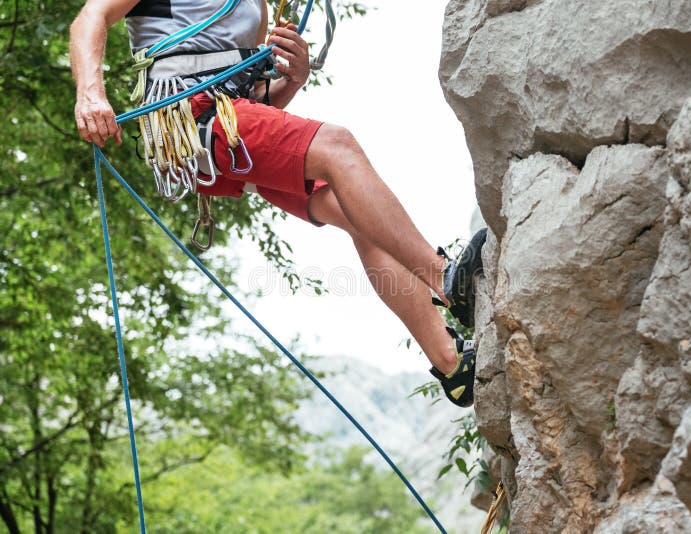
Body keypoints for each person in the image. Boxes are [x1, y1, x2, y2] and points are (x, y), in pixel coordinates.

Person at [69, 0, 483, 407]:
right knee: (337, 146)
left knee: (358, 209)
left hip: (226, 125)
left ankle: (450, 362)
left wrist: (295, 79)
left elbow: (259, 108)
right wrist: (90, 94)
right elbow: (91, 16)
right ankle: (448, 279)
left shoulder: (254, 7)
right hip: (190, 117)